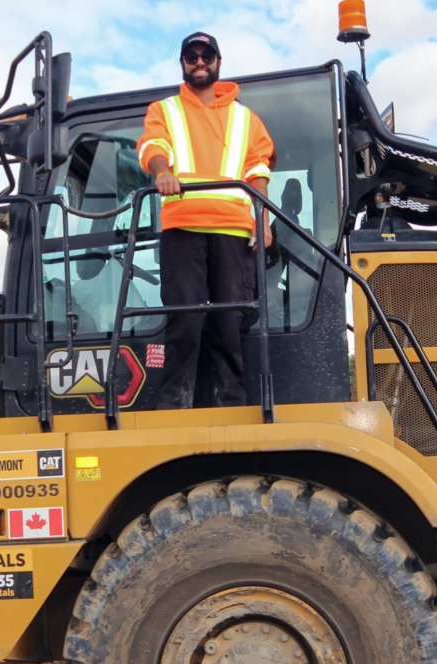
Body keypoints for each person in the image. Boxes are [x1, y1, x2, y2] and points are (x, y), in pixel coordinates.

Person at [137, 32, 276, 408]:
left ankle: (230, 400)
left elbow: (257, 168)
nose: (199, 62)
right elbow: (153, 145)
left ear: (218, 61)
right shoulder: (164, 109)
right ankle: (174, 403)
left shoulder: (246, 118)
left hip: (232, 228)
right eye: (192, 56)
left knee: (229, 320)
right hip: (183, 225)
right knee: (184, 318)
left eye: (206, 55)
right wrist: (162, 172)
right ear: (182, 63)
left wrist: (262, 220)